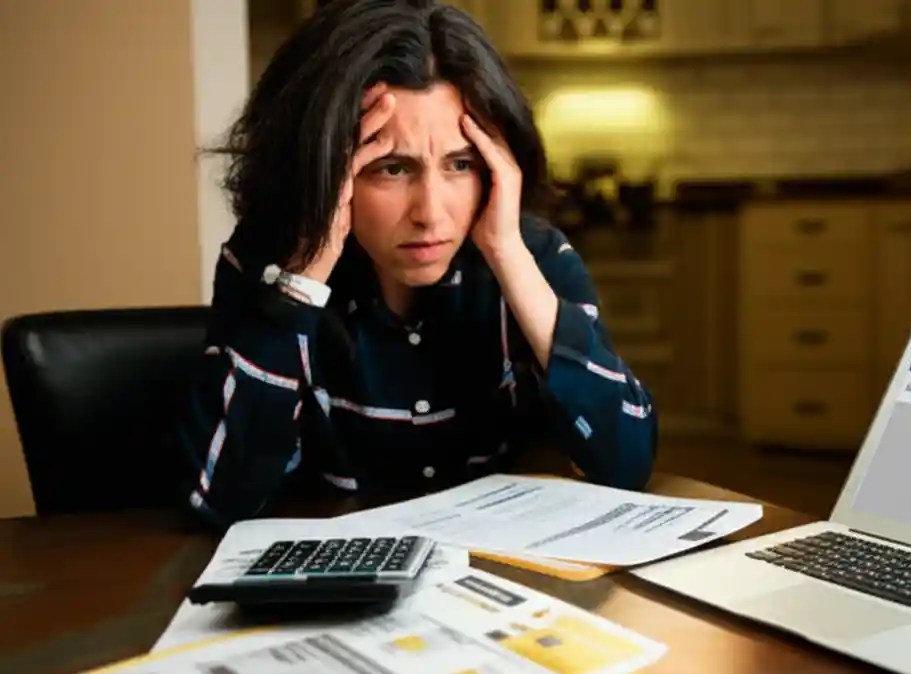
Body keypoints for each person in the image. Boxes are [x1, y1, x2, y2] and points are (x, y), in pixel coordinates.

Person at [177, 0, 657, 527]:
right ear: (321, 168)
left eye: (460, 164)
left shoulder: (531, 256)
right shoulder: (266, 264)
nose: (430, 214)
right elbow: (220, 500)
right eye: (392, 168)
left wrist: (509, 256)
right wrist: (304, 279)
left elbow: (626, 463)